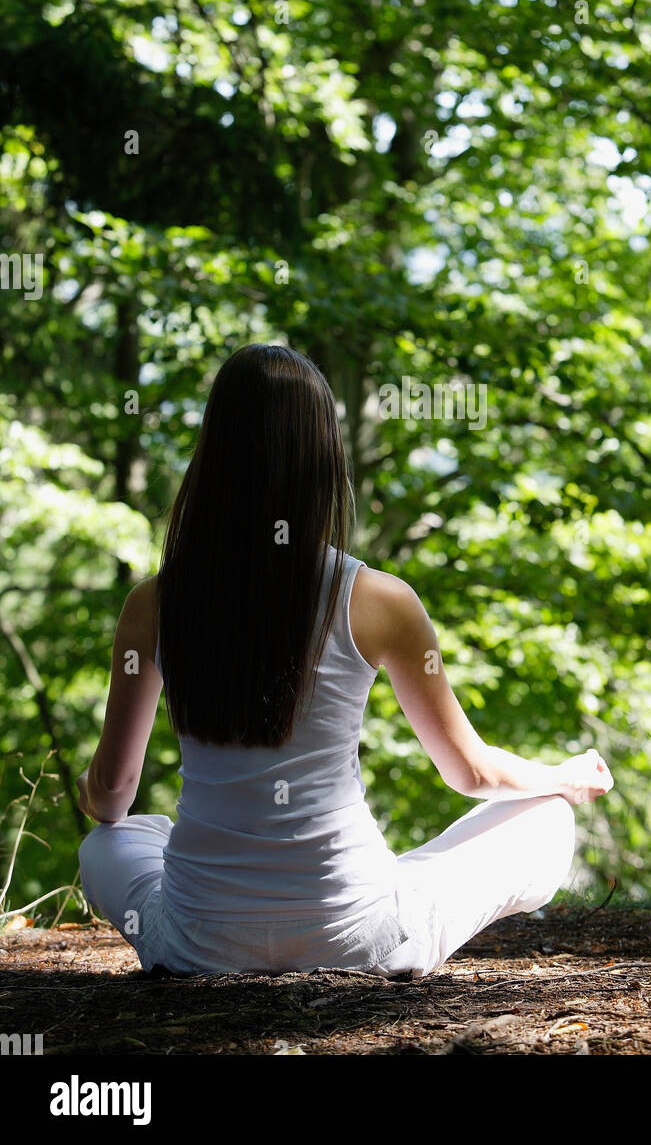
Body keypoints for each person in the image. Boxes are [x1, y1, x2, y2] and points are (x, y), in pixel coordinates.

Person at [78, 343, 614, 980]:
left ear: (214, 455)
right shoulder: (381, 601)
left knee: (110, 842)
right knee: (546, 816)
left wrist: (98, 796)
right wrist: (563, 777)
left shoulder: (154, 605)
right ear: (321, 460)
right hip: (364, 940)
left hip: (198, 945)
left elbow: (112, 798)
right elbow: (470, 773)